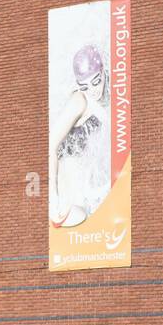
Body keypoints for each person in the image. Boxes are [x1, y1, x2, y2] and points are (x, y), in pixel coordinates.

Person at [49, 43, 110, 228]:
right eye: (84, 86)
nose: (92, 90)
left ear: (104, 72)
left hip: (86, 180)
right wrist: (53, 198)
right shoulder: (79, 101)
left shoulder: (106, 95)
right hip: (70, 192)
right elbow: (50, 145)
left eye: (96, 81)